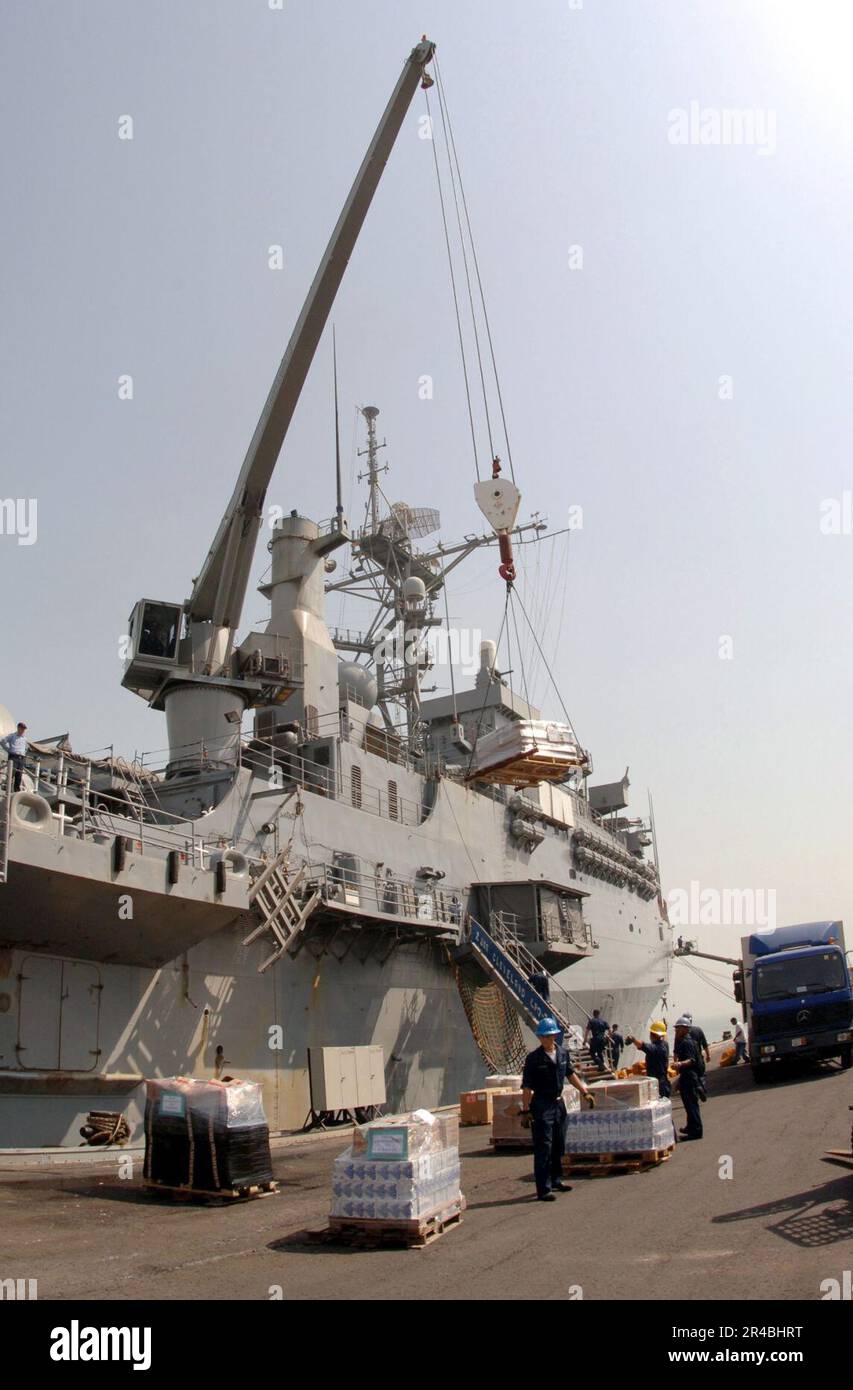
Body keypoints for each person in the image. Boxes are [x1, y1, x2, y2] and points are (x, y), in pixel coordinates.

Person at [520, 1017, 595, 1201]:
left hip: (559, 1105)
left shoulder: (562, 1053)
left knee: (558, 1144)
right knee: (543, 1147)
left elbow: (570, 1074)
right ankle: (544, 1189)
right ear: (539, 1037)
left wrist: (585, 1092)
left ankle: (556, 1180)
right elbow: (527, 1086)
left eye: (549, 1035)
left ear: (555, 1035)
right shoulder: (533, 1059)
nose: (546, 1039)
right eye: (543, 1036)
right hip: (541, 1105)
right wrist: (526, 1110)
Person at [673, 1016, 703, 1140]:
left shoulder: (687, 1042)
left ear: (685, 1029)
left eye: (678, 1028)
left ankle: (696, 1131)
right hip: (686, 1075)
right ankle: (691, 1127)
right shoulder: (684, 1041)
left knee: (691, 1105)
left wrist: (680, 1064)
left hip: (690, 1076)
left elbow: (692, 1060)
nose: (676, 1030)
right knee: (688, 1104)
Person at [626, 1020, 671, 1098]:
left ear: (651, 1035)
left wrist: (633, 1039)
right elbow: (663, 1038)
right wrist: (664, 1029)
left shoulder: (654, 1048)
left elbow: (642, 1045)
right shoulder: (665, 1045)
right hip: (664, 1082)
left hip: (657, 1084)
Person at [684, 1011, 710, 1102]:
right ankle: (701, 1087)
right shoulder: (698, 1030)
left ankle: (696, 1089)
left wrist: (676, 1061)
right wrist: (708, 1055)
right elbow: (704, 1044)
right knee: (701, 1075)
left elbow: (677, 1049)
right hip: (698, 1057)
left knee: (691, 1076)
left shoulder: (682, 1032)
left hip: (687, 1059)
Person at [0, 722, 28, 791]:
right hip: (13, 757)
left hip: (21, 758)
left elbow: (26, 748)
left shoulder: (24, 738)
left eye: (24, 729)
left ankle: (16, 790)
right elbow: (2, 741)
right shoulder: (12, 736)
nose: (23, 730)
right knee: (11, 774)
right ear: (18, 728)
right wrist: (8, 750)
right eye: (22, 728)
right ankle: (7, 788)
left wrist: (23, 753)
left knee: (19, 775)